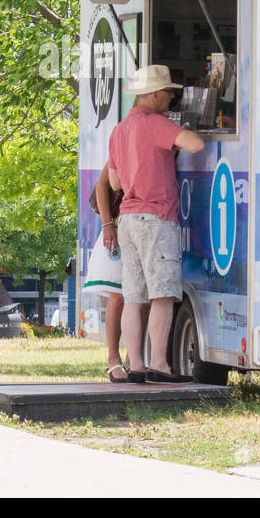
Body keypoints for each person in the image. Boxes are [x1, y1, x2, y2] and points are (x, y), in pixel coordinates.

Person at [107, 64, 205, 383]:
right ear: (153, 95)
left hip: (129, 219)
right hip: (157, 217)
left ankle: (136, 365)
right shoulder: (154, 123)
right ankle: (160, 364)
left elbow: (115, 181)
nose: (171, 100)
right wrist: (178, 137)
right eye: (168, 94)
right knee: (163, 295)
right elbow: (196, 145)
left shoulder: (120, 130)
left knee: (134, 298)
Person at [93, 162, 128, 382]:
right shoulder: (123, 141)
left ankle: (134, 358)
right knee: (118, 295)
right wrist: (107, 224)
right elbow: (102, 185)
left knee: (141, 298)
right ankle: (113, 359)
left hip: (146, 224)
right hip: (119, 226)